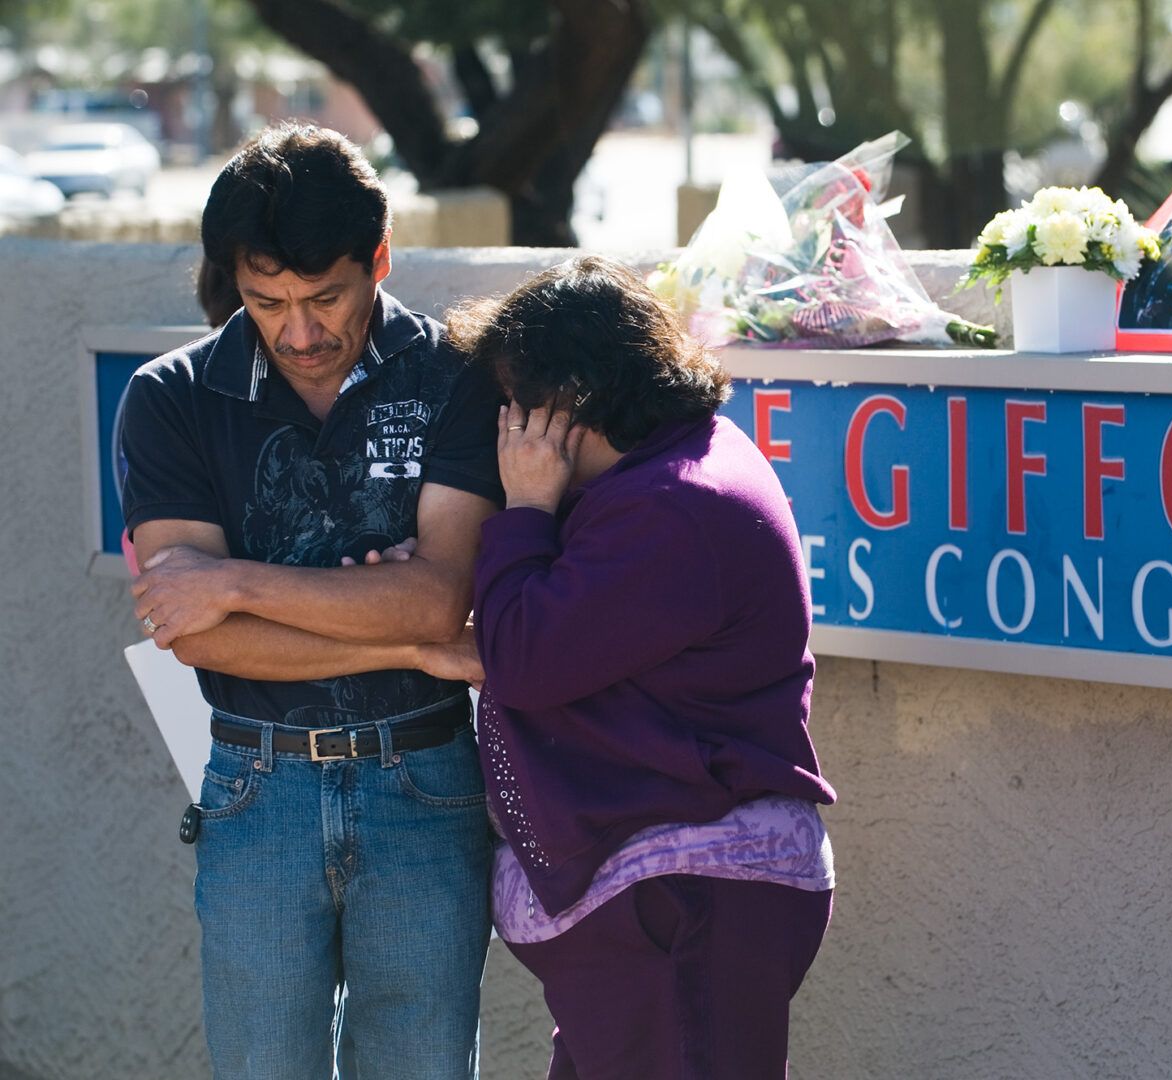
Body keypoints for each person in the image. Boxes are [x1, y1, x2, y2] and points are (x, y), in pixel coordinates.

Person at [119, 122, 503, 1079]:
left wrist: (238, 583)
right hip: (255, 785)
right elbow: (196, 640)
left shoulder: (457, 376)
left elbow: (440, 596)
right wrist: (409, 638)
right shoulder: (169, 397)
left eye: (325, 297)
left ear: (379, 258)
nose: (299, 332)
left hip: (427, 781)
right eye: (266, 302)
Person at [435, 255, 838, 1080]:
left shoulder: (673, 508)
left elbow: (521, 657)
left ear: (571, 400)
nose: (503, 426)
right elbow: (556, 625)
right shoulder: (665, 471)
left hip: (685, 908)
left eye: (516, 403)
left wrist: (524, 509)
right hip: (664, 914)